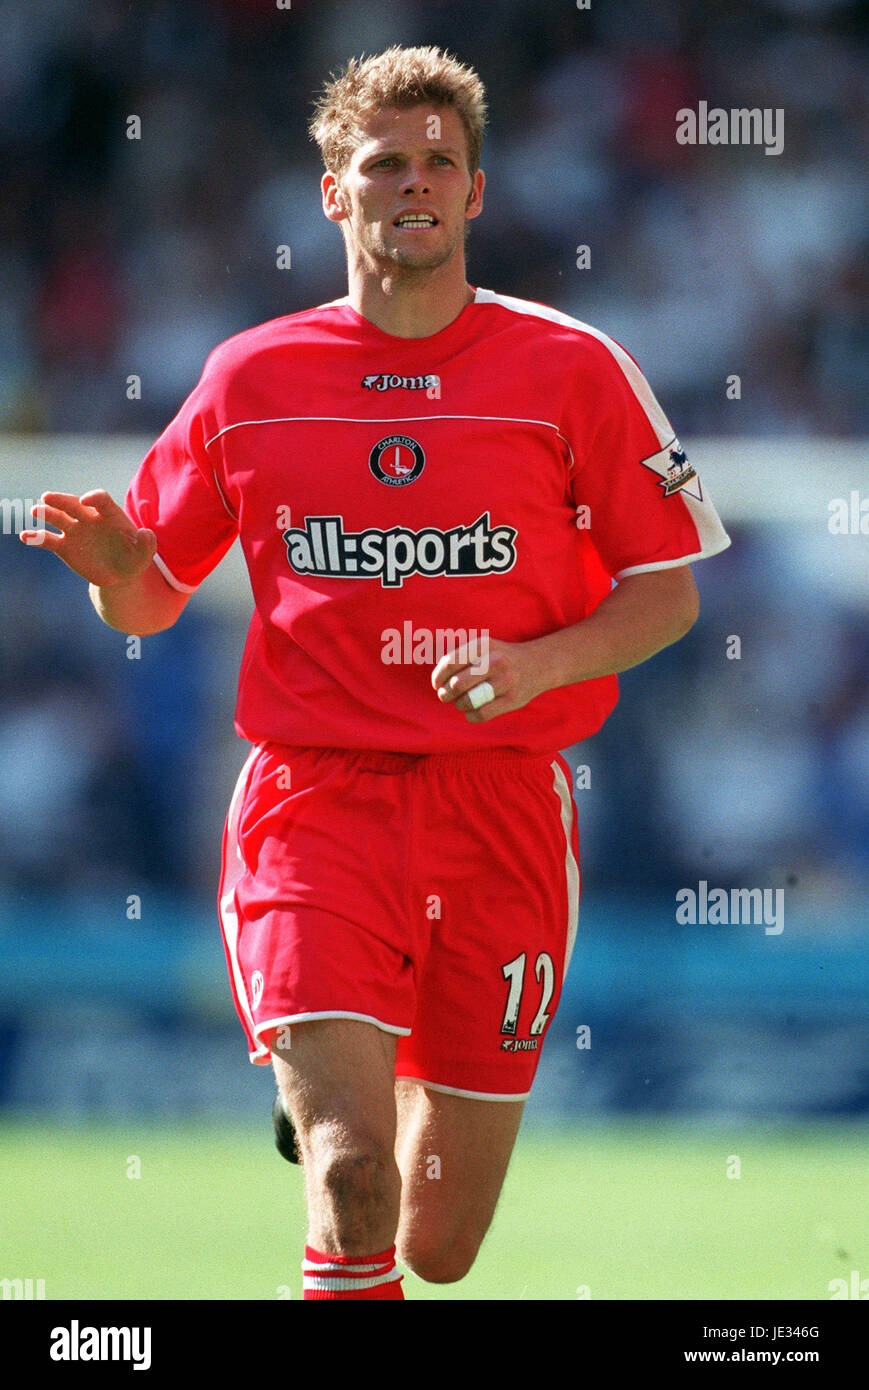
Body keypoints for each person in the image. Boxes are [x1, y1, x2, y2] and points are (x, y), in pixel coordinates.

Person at [22, 45, 730, 1300]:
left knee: (435, 1247)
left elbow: (666, 593)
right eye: (383, 163)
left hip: (503, 810)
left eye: (438, 164)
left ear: (474, 195)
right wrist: (113, 566)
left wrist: (533, 668)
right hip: (315, 803)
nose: (413, 184)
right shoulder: (251, 377)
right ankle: (337, 1095)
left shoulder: (568, 370)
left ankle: (359, 1074)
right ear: (333, 194)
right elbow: (150, 593)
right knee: (353, 1180)